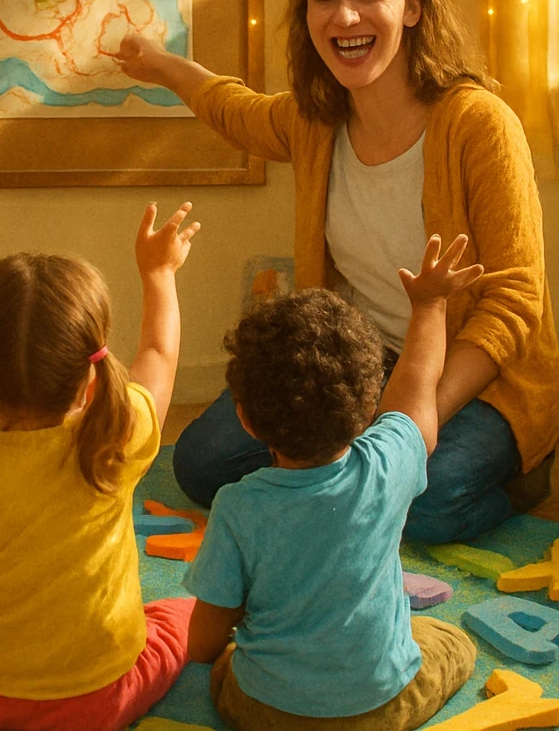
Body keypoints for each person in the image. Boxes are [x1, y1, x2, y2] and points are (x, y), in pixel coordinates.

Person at [118, 0, 559, 543]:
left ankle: (520, 473)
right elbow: (235, 109)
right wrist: (162, 65)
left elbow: (514, 303)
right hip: (359, 362)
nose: (345, 16)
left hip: (478, 379)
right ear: (308, 16)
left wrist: (404, 428)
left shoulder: (479, 124)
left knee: (422, 502)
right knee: (203, 464)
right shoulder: (314, 120)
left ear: (412, 4)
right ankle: (348, 484)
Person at [0, 202, 201, 731]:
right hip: (100, 701)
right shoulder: (118, 436)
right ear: (92, 377)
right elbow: (159, 354)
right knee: (184, 614)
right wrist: (159, 273)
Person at [185, 234, 482, 729]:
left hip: (266, 712)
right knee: (451, 642)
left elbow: (201, 644)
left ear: (247, 420)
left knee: (225, 669)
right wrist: (429, 304)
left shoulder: (237, 506)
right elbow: (416, 386)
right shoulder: (389, 464)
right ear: (368, 409)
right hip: (378, 710)